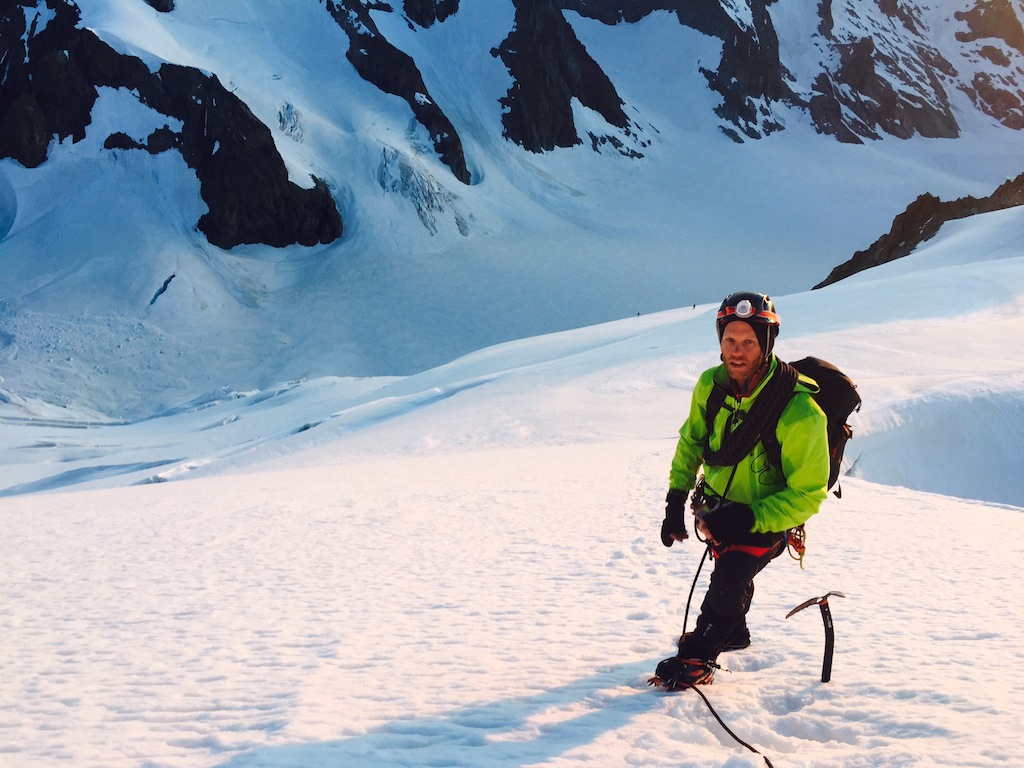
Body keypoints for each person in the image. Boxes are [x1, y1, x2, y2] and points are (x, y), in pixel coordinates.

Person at [651, 291, 830, 690]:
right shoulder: (710, 386)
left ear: (766, 344)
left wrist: (750, 517)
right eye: (730, 340)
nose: (737, 351)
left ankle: (699, 655)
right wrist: (675, 500)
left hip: (768, 514)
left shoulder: (799, 410)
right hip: (715, 507)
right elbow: (691, 442)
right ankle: (734, 632)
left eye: (749, 341)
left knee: (730, 576)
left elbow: (809, 492)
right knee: (727, 566)